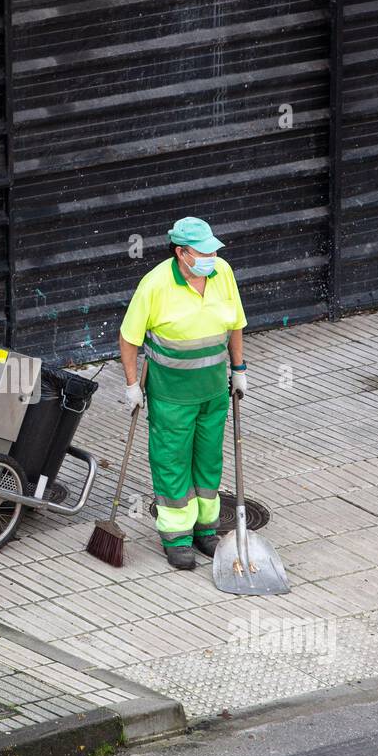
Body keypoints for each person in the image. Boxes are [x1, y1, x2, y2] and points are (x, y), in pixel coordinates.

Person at [118, 218, 249, 570]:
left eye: (213, 250)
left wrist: (239, 370)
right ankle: (176, 536)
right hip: (171, 397)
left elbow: (236, 323)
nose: (212, 257)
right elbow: (129, 339)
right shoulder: (155, 285)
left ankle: (206, 529)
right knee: (172, 463)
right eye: (203, 252)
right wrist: (132, 385)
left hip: (213, 393)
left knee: (208, 461)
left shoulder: (222, 273)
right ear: (181, 253)